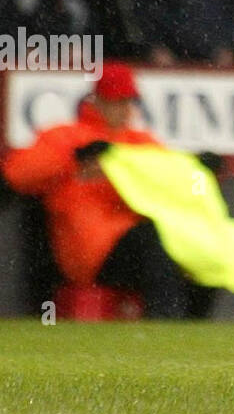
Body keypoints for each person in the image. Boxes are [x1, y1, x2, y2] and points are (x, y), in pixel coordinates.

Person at [0, 65, 202, 318]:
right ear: (98, 101)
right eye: (118, 102)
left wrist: (201, 167)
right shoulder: (66, 137)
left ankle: (187, 327)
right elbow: (17, 174)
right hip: (88, 250)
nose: (125, 109)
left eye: (128, 101)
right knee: (153, 242)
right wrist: (73, 158)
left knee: (194, 249)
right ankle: (166, 325)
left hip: (130, 240)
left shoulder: (140, 141)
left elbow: (176, 175)